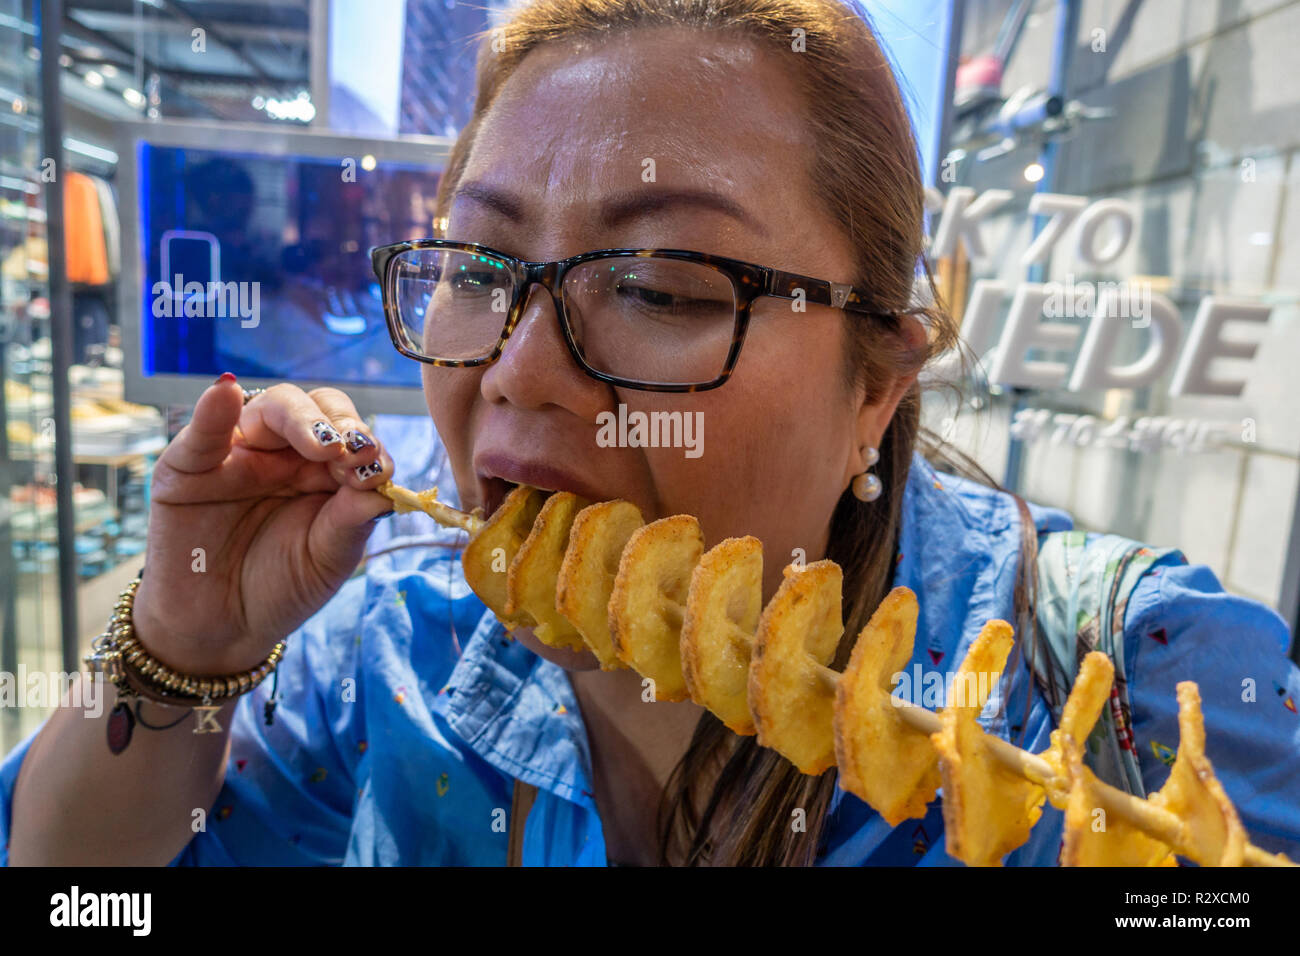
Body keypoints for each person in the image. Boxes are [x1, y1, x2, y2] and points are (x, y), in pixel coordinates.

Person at [4, 0, 1299, 867]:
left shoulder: (1154, 691)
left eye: (663, 288)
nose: (518, 374)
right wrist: (181, 647)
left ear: (878, 386)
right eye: (480, 265)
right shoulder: (382, 648)